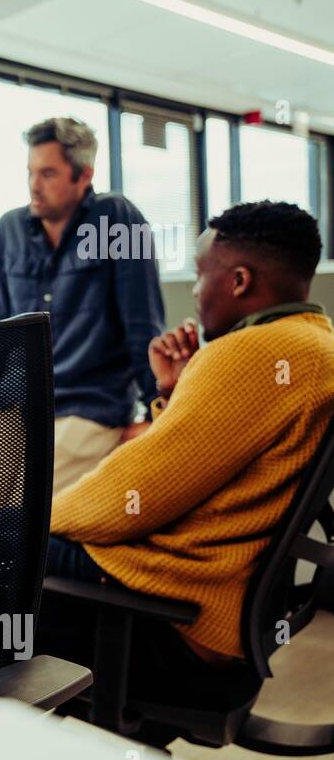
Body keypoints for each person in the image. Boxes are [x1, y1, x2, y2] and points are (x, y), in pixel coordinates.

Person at [40, 201, 334, 705]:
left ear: (239, 281)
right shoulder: (314, 345)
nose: (195, 293)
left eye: (200, 276)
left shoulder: (247, 354)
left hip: (172, 630)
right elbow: (214, 477)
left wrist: (29, 523)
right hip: (225, 625)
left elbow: (123, 500)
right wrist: (175, 392)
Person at [0, 117, 165, 494]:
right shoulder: (8, 230)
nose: (34, 185)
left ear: (84, 176)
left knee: (25, 513)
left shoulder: (117, 221)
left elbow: (141, 323)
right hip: (14, 401)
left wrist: (155, 415)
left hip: (86, 407)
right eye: (30, 172)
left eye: (48, 173)